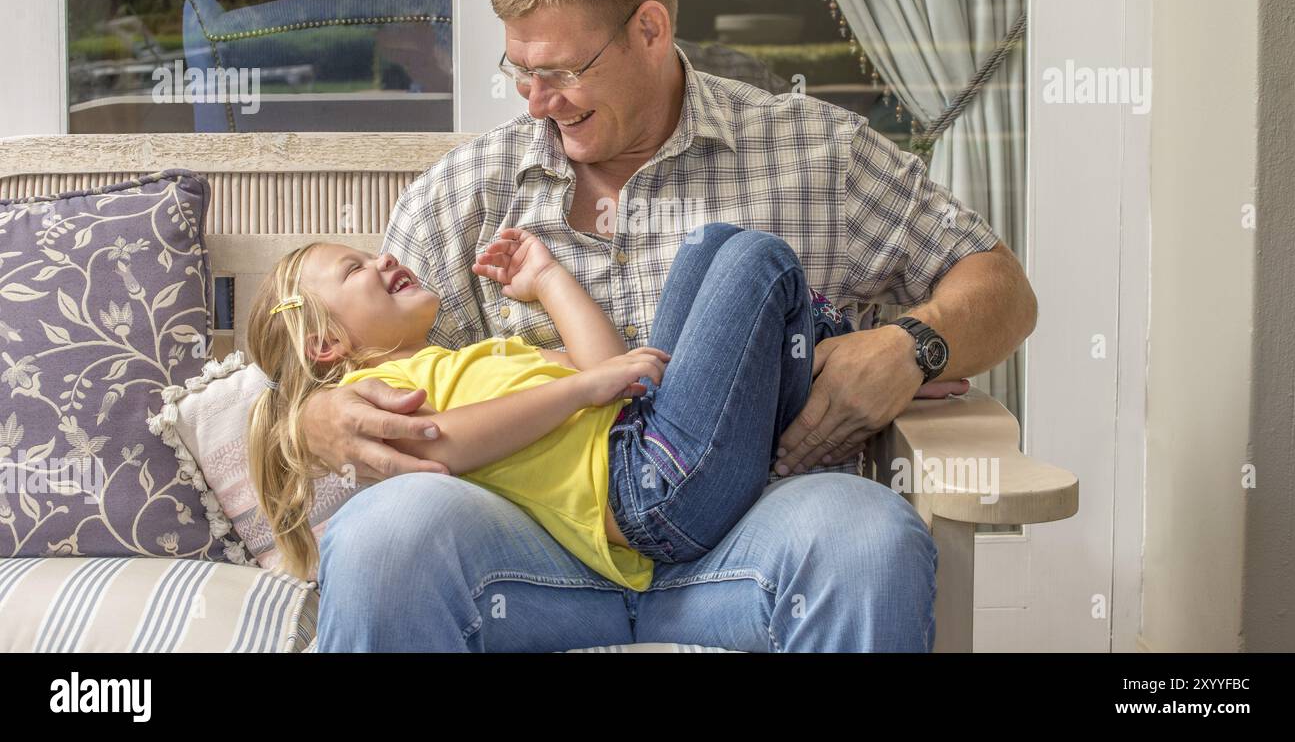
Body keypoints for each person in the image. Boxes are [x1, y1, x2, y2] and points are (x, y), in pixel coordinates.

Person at [299, 0, 1038, 652]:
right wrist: (315, 419)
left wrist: (914, 346)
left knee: (867, 538)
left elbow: (1001, 286)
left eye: (559, 71)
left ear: (649, 31)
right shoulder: (465, 191)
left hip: (753, 538)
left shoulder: (816, 150)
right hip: (531, 555)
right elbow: (361, 359)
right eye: (519, 72)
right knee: (380, 538)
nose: (536, 101)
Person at [245, 222, 858, 590]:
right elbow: (439, 442)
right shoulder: (385, 398)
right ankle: (818, 352)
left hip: (650, 444)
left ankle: (812, 353)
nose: (382, 257)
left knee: (712, 246)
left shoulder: (470, 359)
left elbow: (609, 372)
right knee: (759, 260)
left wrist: (546, 278)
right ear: (324, 344)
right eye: (355, 268)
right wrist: (577, 391)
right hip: (651, 493)